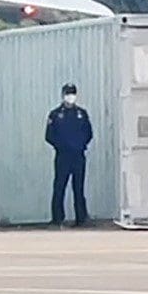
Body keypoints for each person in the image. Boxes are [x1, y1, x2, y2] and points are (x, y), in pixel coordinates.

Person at [44, 82, 93, 227]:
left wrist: (80, 145)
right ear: (63, 95)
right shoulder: (55, 114)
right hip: (63, 156)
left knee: (79, 188)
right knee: (59, 187)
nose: (70, 97)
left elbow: (88, 133)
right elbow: (49, 136)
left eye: (72, 93)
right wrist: (61, 146)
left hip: (78, 156)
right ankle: (57, 219)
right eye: (68, 93)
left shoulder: (81, 114)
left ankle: (81, 218)